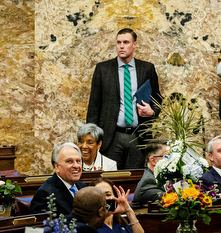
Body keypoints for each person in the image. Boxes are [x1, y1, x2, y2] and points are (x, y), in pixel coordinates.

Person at [86, 28, 163, 169]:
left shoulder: (147, 69)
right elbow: (94, 106)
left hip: (138, 136)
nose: (121, 46)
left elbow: (158, 99)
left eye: (126, 42)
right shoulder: (103, 69)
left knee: (135, 178)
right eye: (118, 42)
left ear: (134, 45)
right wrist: (92, 139)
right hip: (111, 136)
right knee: (110, 179)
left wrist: (151, 112)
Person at [31, 143, 87, 214]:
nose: (76, 166)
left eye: (78, 161)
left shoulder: (83, 187)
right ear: (57, 166)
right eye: (69, 161)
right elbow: (49, 223)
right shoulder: (45, 194)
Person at [131, 141, 169, 208]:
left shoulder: (161, 177)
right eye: (167, 157)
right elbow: (171, 199)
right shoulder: (149, 182)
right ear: (153, 160)